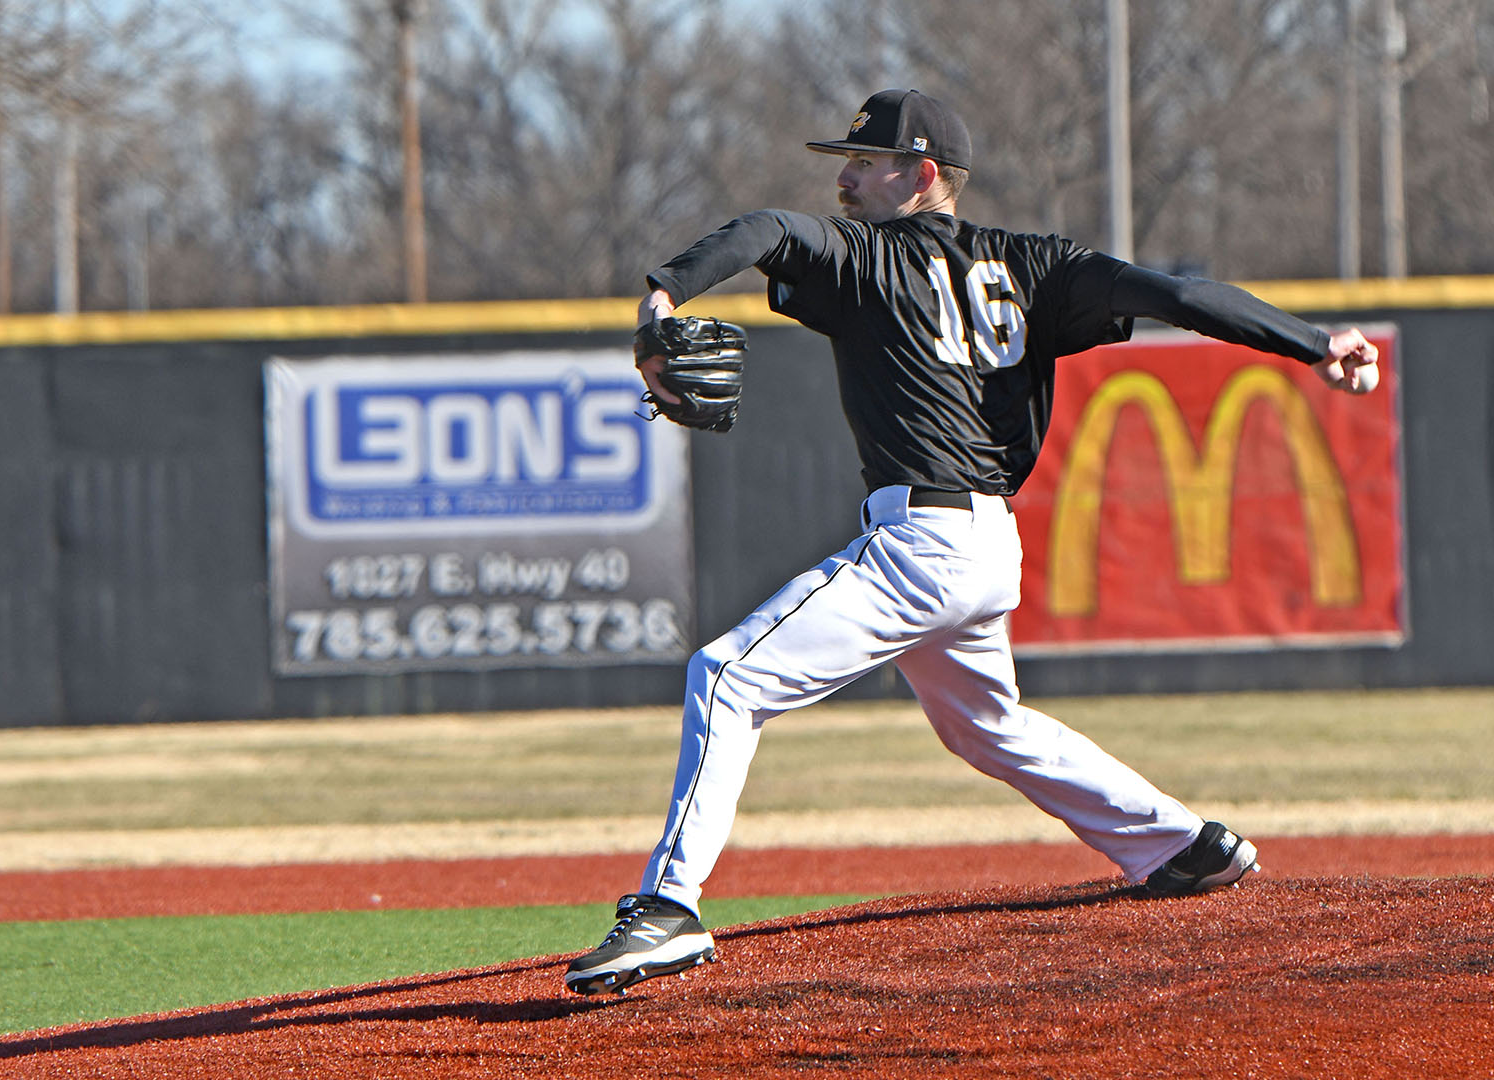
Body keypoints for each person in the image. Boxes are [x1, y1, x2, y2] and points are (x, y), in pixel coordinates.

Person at [564, 88, 1380, 996]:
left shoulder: (865, 257)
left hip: (921, 540)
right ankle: (1181, 846)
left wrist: (664, 294)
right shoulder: (1037, 264)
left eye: (864, 164)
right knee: (984, 724)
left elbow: (762, 230)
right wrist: (1312, 344)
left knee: (725, 675)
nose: (845, 178)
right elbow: (1179, 296)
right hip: (989, 546)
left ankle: (669, 909)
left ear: (921, 176)